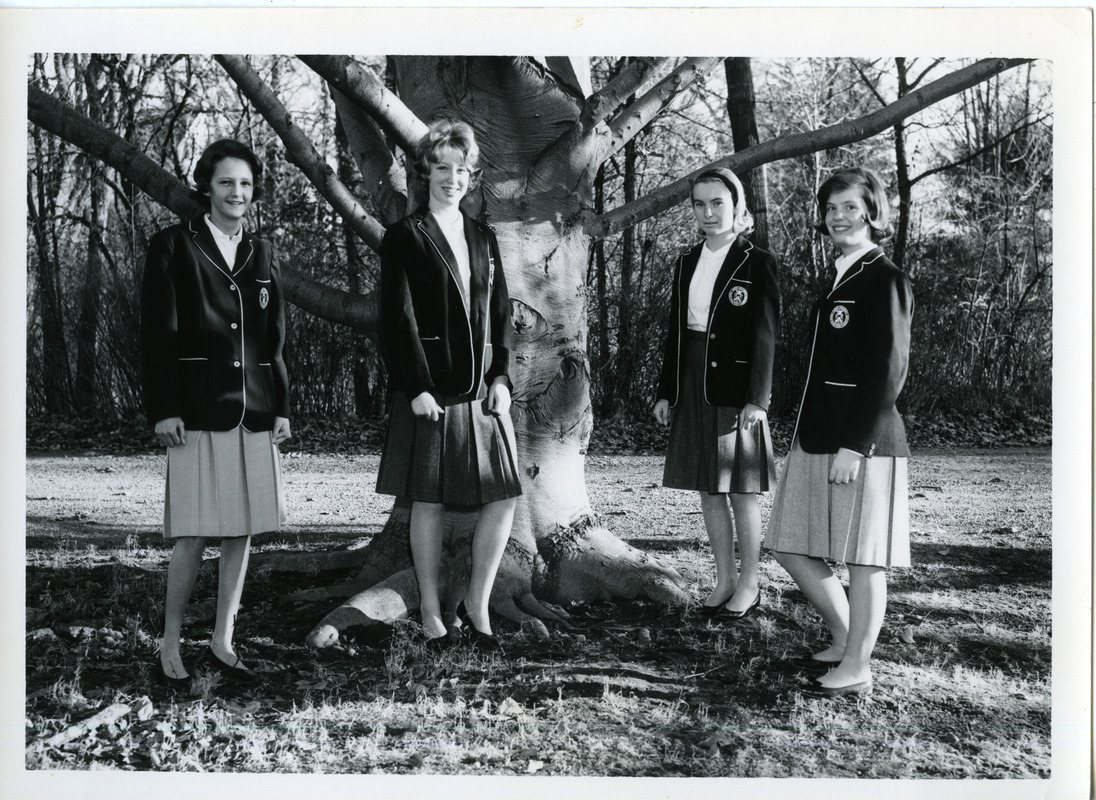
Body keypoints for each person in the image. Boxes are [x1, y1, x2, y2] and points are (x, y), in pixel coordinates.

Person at [142, 139, 291, 688]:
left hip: (254, 410)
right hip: (196, 411)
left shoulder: (263, 252)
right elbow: (156, 338)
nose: (237, 193)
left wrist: (282, 407)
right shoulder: (172, 246)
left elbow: (275, 340)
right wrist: (163, 408)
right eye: (227, 182)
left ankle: (223, 639)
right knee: (194, 533)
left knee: (243, 531)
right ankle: (171, 640)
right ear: (207, 186)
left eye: (246, 184)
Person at [375, 118, 521, 652]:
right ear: (425, 173)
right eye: (442, 168)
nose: (452, 178)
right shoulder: (405, 237)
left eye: (462, 170)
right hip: (430, 392)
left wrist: (501, 374)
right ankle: (432, 613)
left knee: (503, 497)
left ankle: (477, 603)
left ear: (471, 176)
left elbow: (500, 311)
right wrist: (415, 386)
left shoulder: (483, 236)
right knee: (428, 503)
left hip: (484, 391)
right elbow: (397, 318)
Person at [768, 166, 914, 698]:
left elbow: (887, 372)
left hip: (862, 443)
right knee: (787, 543)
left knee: (863, 557)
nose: (838, 218)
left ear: (872, 212)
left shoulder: (885, 278)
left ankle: (857, 666)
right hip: (816, 434)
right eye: (830, 209)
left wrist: (857, 445)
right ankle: (846, 636)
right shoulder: (836, 276)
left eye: (850, 207)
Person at [653, 167, 780, 619]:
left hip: (736, 387)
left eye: (717, 203)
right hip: (692, 381)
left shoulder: (757, 262)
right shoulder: (686, 261)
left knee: (743, 490)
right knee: (709, 490)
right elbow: (675, 331)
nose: (708, 213)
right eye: (699, 204)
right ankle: (725, 577)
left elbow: (766, 338)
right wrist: (666, 391)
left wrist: (757, 400)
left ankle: (750, 582)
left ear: (736, 205)